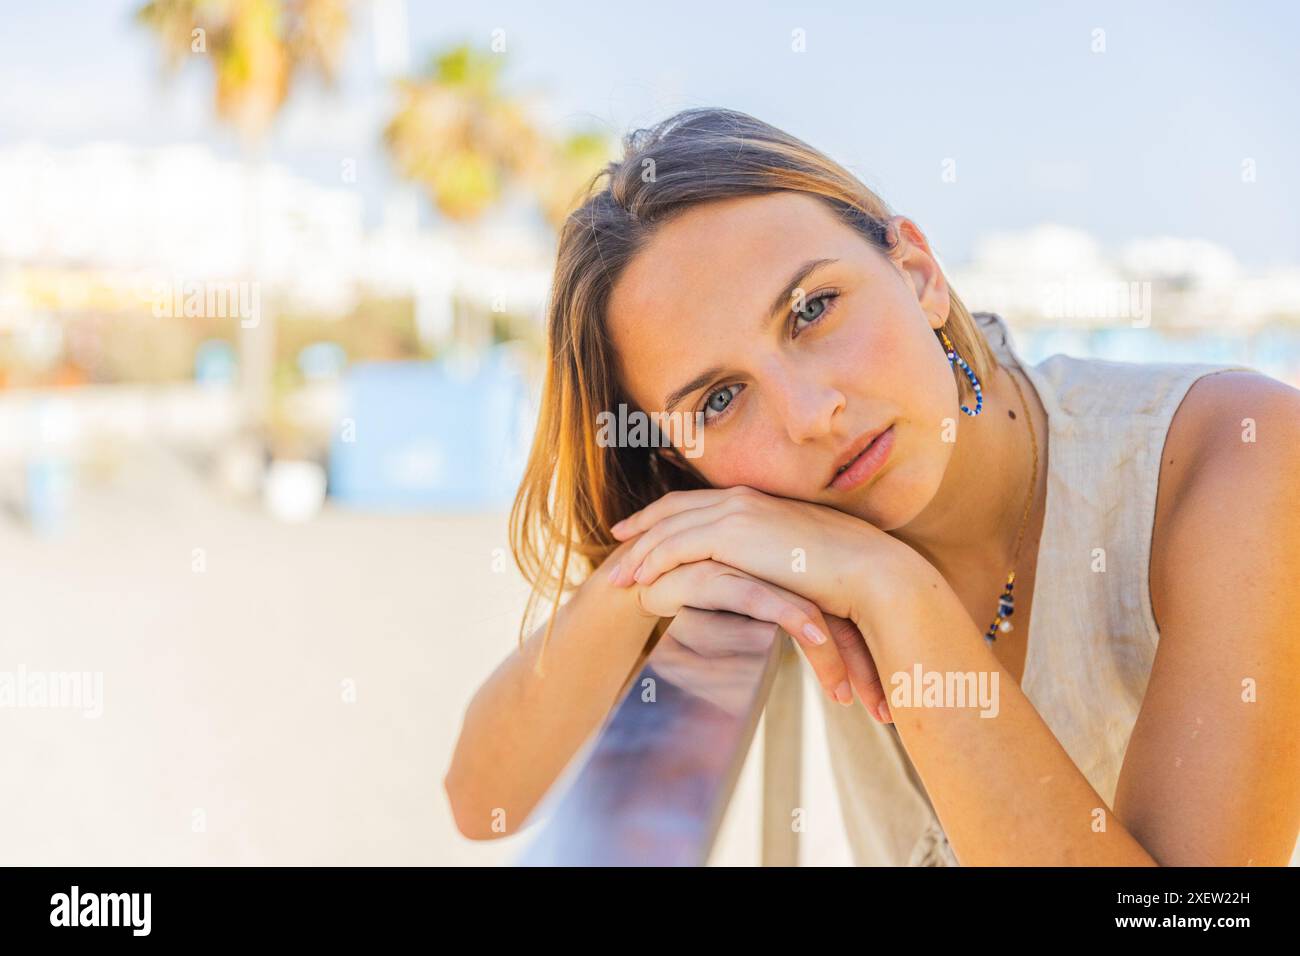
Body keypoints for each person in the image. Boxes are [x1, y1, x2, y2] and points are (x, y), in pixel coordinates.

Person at [445, 107, 1300, 866]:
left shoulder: (1239, 457)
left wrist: (895, 591)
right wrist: (642, 580)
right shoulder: (767, 531)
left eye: (812, 309)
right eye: (720, 399)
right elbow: (483, 799)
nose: (812, 414)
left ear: (919, 272)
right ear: (682, 463)